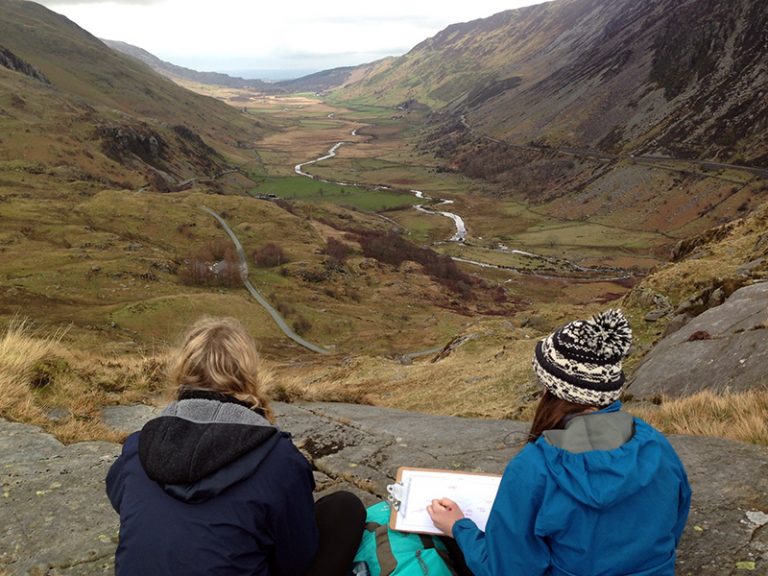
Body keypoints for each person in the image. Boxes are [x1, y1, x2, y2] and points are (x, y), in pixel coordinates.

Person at [427, 309, 691, 576]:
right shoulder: (657, 445)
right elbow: (673, 528)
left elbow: (508, 570)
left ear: (550, 390)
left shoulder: (534, 467)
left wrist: (458, 527)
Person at [106, 317, 365, 576]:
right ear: (249, 376)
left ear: (182, 371)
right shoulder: (279, 459)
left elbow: (119, 496)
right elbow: (296, 560)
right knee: (345, 509)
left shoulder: (137, 448)